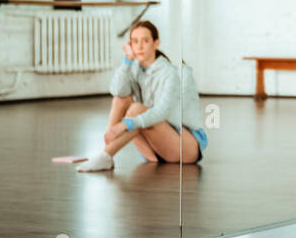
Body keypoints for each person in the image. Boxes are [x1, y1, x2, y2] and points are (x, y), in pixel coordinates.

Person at [77, 19, 207, 170]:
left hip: (184, 148)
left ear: (156, 43)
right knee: (121, 99)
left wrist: (125, 124)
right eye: (134, 41)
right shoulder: (135, 68)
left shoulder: (172, 73)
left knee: (136, 110)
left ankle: (106, 155)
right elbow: (117, 91)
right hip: (154, 152)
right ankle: (106, 154)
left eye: (145, 41)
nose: (139, 46)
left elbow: (161, 113)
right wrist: (127, 61)